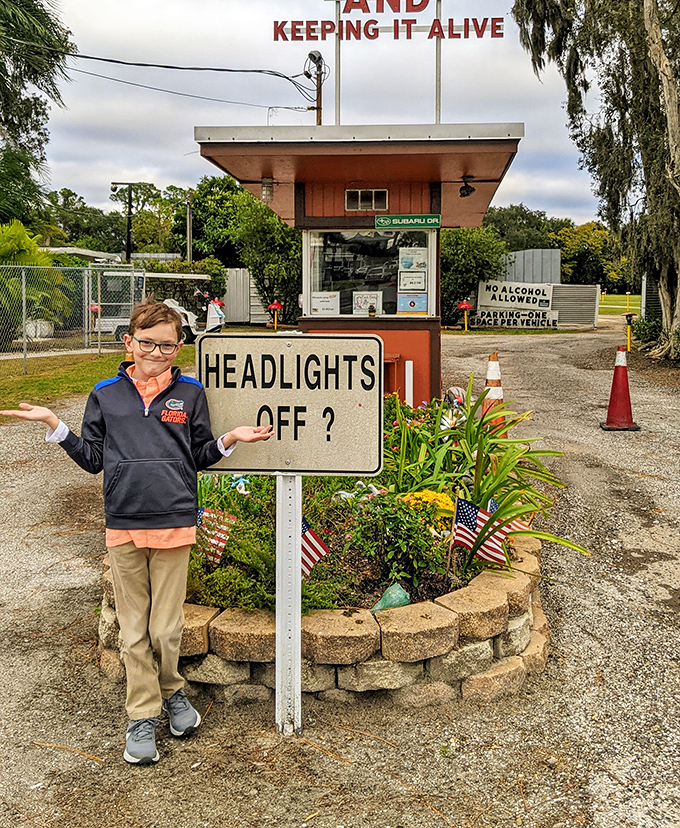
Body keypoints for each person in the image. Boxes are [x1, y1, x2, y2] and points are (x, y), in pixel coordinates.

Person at [0, 298, 272, 765]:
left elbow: (199, 455)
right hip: (124, 524)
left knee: (165, 630)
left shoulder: (190, 393)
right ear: (129, 342)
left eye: (167, 345)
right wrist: (54, 425)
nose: (156, 353)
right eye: (147, 343)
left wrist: (230, 440)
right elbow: (93, 459)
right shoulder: (105, 394)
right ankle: (143, 715)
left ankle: (173, 691)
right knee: (132, 632)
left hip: (174, 522)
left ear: (179, 347)